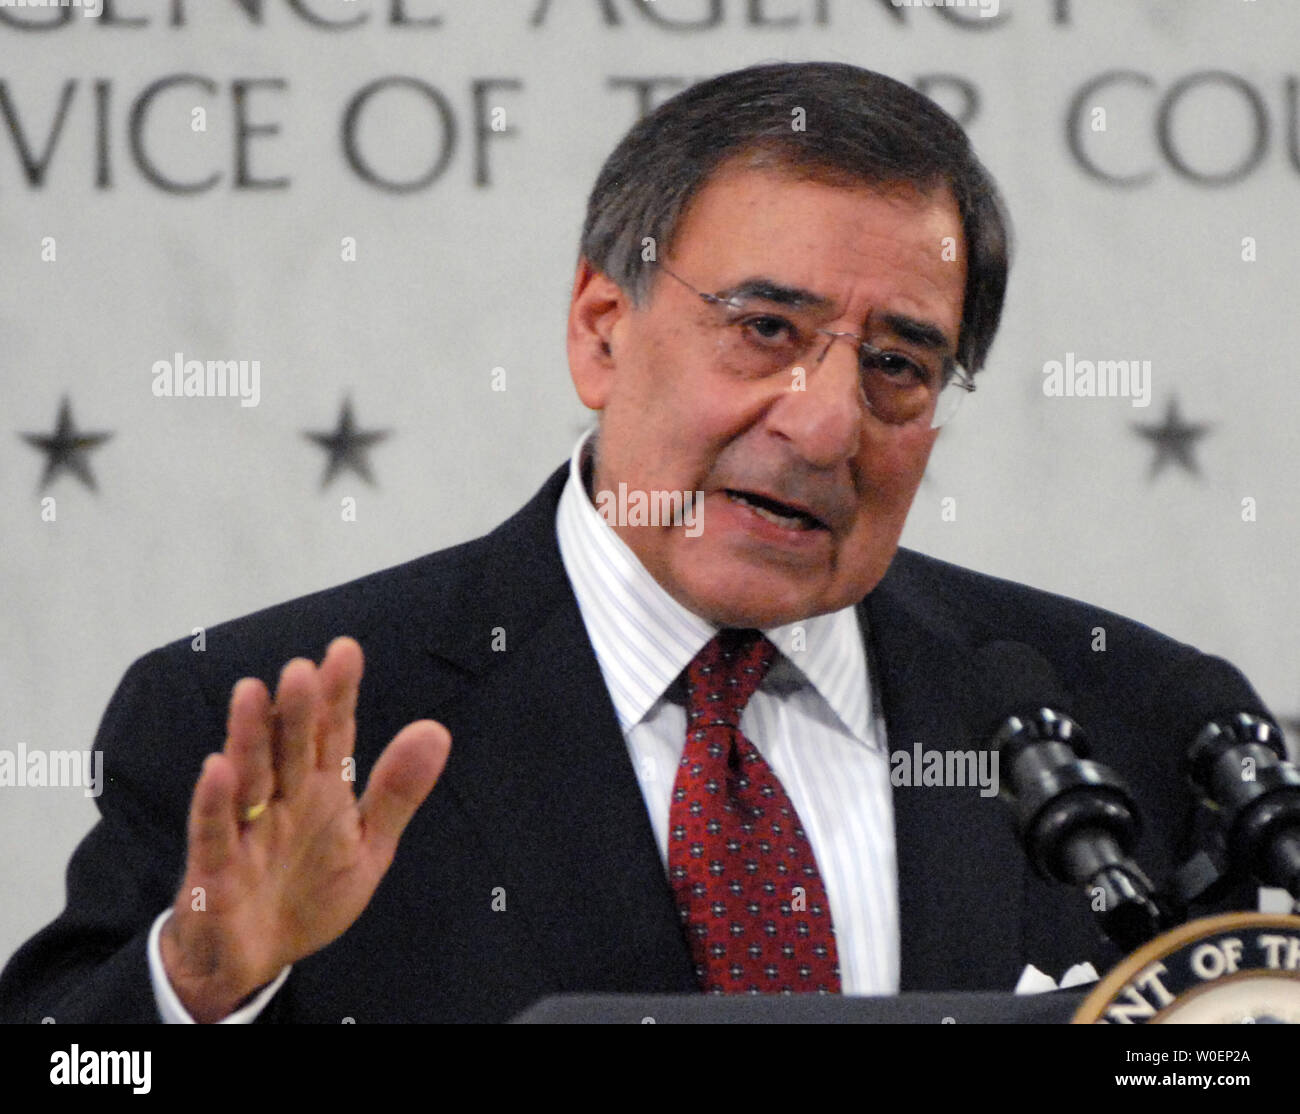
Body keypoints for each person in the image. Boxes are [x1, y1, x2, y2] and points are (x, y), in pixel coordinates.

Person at [0, 61, 1270, 1024]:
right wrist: (196, 989)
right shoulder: (271, 731)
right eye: (764, 328)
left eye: (896, 363)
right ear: (602, 331)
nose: (826, 424)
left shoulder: (1135, 725)